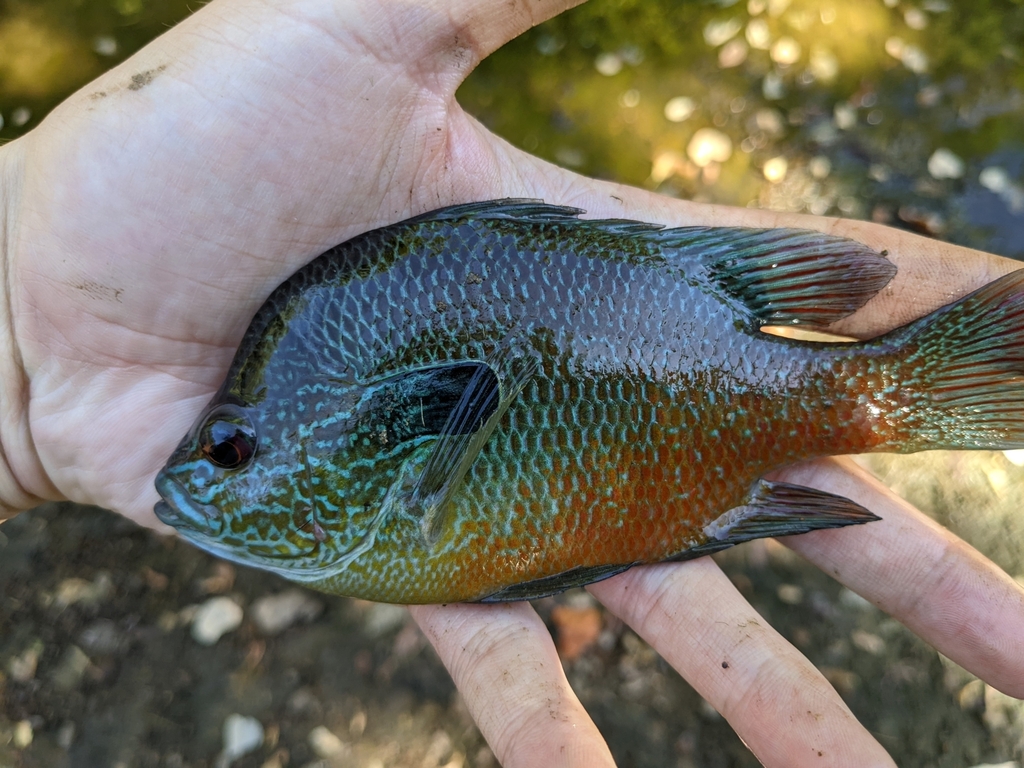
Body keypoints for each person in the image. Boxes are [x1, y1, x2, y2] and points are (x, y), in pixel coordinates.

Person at [0, 0, 1021, 765]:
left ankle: (917, 389)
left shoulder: (340, 386)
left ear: (393, 436)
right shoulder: (333, 386)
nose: (200, 476)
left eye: (230, 447)